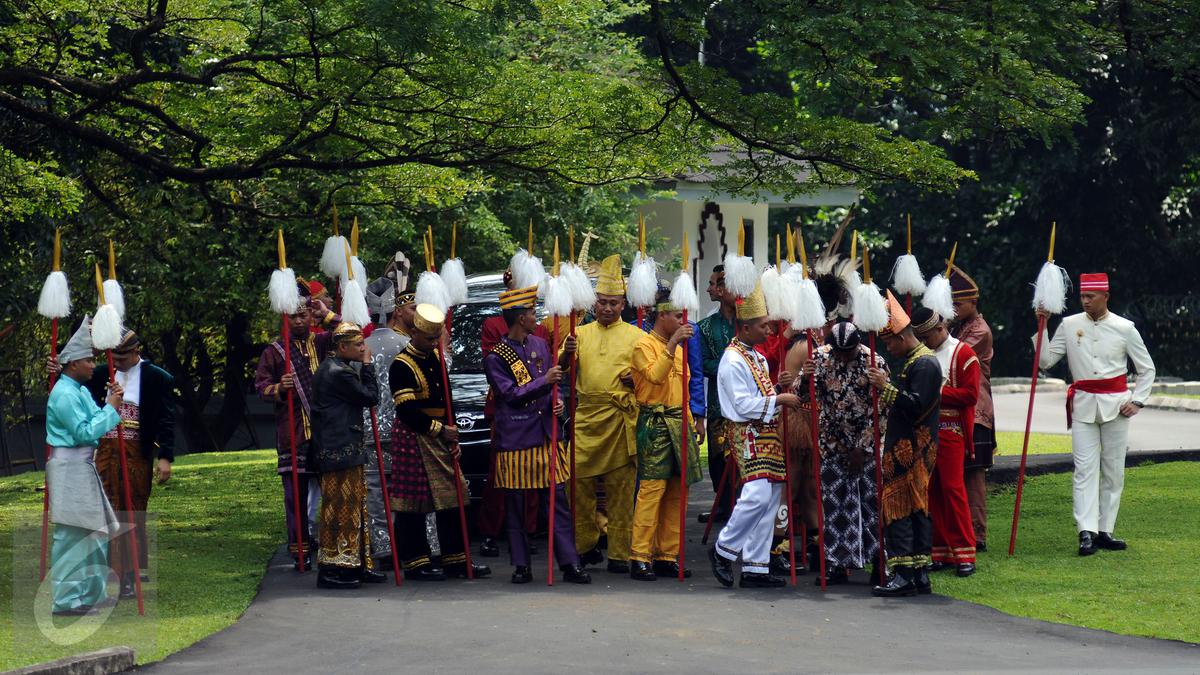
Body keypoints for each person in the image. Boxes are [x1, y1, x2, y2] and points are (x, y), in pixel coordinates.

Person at [47, 327, 176, 597]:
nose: (115, 363)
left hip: (136, 452)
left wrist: (165, 456)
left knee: (132, 509)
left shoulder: (157, 377)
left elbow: (166, 420)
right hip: (104, 452)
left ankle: (131, 572)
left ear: (136, 351)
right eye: (112, 357)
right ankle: (110, 573)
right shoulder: (98, 373)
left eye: (121, 358)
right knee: (107, 512)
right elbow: (71, 386)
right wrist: (57, 370)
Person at [1034, 272, 1155, 555]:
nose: (1085, 301)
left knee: (1113, 471)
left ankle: (1105, 529)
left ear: (1106, 297)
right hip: (1083, 404)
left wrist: (1138, 400)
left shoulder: (1125, 328)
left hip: (1117, 406)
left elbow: (1146, 368)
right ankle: (1085, 531)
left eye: (1091, 296)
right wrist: (1042, 325)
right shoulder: (1069, 324)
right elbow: (1046, 361)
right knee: (1084, 470)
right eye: (1082, 297)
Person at [483, 285, 591, 584]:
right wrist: (545, 382)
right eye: (532, 312)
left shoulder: (541, 344)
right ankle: (521, 564)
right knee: (516, 506)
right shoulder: (496, 357)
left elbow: (552, 382)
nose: (536, 317)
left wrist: (558, 393)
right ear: (521, 318)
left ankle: (569, 563)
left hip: (546, 434)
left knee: (558, 503)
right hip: (516, 437)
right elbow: (511, 394)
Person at [709, 284, 803, 589]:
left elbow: (759, 396)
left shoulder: (758, 358)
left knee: (771, 497)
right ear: (746, 327)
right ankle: (723, 550)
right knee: (757, 495)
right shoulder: (732, 359)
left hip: (768, 433)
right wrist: (779, 399)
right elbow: (742, 406)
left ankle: (755, 567)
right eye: (764, 326)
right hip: (747, 433)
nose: (769, 330)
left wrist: (777, 388)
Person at [389, 303, 491, 580]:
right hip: (414, 437)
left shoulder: (436, 358)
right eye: (430, 338)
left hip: (442, 435)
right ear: (414, 333)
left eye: (437, 338)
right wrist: (439, 430)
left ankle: (456, 559)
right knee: (413, 504)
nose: (435, 343)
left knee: (454, 498)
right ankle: (416, 563)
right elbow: (406, 411)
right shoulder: (401, 364)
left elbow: (447, 400)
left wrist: (453, 433)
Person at [563, 254, 642, 574]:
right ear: (594, 303)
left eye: (613, 303)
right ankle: (585, 545)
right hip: (586, 419)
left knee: (621, 488)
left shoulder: (638, 337)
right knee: (576, 483)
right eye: (602, 302)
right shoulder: (579, 334)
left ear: (623, 304)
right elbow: (560, 370)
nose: (607, 308)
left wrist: (636, 379)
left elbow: (652, 376)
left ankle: (620, 552)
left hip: (619, 419)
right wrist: (566, 355)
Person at [255, 284, 340, 570]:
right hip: (294, 433)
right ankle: (300, 552)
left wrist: (327, 314)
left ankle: (335, 549)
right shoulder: (274, 352)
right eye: (294, 316)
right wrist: (279, 387)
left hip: (327, 432)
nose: (300, 321)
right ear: (285, 318)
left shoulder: (324, 342)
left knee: (334, 494)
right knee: (295, 497)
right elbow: (261, 387)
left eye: (304, 315)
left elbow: (350, 332)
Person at [44, 316, 123, 615]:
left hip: (83, 467)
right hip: (69, 469)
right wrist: (111, 409)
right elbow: (85, 432)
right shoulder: (64, 393)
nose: (93, 365)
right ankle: (66, 600)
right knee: (72, 535)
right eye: (89, 360)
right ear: (74, 363)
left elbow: (96, 420)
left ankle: (91, 593)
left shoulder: (78, 390)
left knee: (96, 533)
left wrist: (110, 403)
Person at [799, 320, 885, 586]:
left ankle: (878, 562)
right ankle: (836, 564)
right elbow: (804, 397)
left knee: (871, 504)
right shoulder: (819, 359)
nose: (843, 358)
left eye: (848, 353)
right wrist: (806, 378)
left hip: (867, 445)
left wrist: (862, 447)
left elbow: (882, 410)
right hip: (832, 443)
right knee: (834, 505)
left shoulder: (874, 362)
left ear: (858, 346)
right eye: (839, 352)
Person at [867, 292, 941, 597]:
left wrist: (885, 388)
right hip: (911, 447)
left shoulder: (923, 365)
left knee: (899, 508)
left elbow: (914, 405)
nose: (888, 348)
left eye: (889, 343)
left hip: (910, 449)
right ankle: (918, 573)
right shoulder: (917, 361)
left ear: (900, 336)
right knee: (914, 508)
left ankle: (905, 573)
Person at [628, 296, 703, 580]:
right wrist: (672, 345)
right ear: (662, 316)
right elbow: (656, 377)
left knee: (677, 491)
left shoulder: (681, 351)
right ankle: (639, 556)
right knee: (651, 491)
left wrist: (693, 422)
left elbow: (684, 391)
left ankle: (666, 555)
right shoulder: (643, 346)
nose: (684, 322)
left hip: (679, 422)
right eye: (678, 317)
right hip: (655, 424)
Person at [311, 322, 384, 589]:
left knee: (354, 506)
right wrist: (368, 366)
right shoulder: (338, 372)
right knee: (339, 509)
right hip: (339, 450)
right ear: (342, 347)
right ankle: (333, 568)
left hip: (341, 449)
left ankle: (356, 563)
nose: (363, 348)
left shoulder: (332, 367)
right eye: (358, 345)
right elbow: (370, 397)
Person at [477, 268, 543, 558]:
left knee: (533, 474)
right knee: (499, 475)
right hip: (508, 407)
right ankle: (490, 531)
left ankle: (528, 529)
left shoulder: (540, 331)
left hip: (536, 410)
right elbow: (497, 364)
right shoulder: (494, 325)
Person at [912, 307, 978, 577]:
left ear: (940, 329)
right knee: (932, 491)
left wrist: (936, 392)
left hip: (951, 430)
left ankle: (965, 552)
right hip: (926, 430)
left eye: (927, 337)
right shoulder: (922, 355)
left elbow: (971, 395)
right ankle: (940, 551)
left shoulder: (964, 353)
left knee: (952, 489)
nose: (924, 342)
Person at [360, 279, 410, 569]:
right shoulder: (406, 345)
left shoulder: (360, 348)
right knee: (406, 490)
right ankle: (410, 547)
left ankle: (383, 550)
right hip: (403, 428)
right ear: (394, 312)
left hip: (369, 430)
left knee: (376, 494)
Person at [948, 265, 995, 551]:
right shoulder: (957, 326)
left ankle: (977, 535)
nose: (954, 309)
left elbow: (953, 355)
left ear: (973, 302)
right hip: (958, 408)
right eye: (950, 303)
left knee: (973, 475)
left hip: (976, 411)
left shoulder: (980, 331)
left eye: (958, 303)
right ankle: (959, 529)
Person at [697, 265, 738, 523]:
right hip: (717, 404)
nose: (709, 289)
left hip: (747, 402)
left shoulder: (750, 323)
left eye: (712, 284)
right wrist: (732, 367)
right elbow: (702, 364)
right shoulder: (704, 327)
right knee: (717, 459)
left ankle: (741, 506)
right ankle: (722, 505)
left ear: (723, 289)